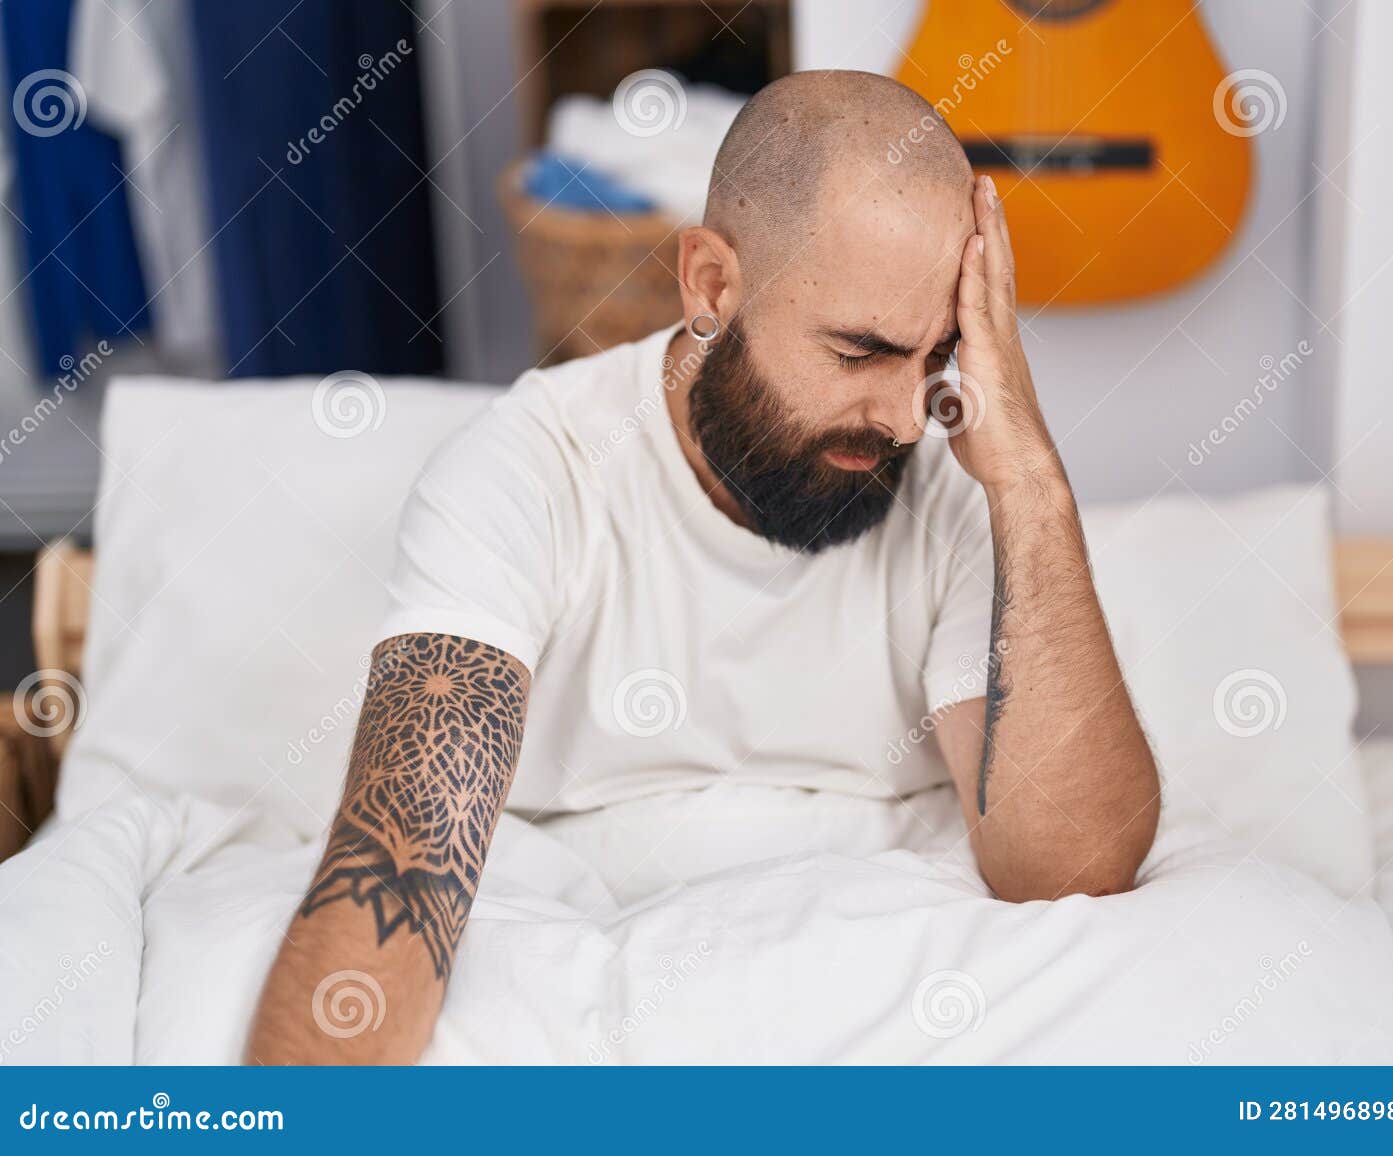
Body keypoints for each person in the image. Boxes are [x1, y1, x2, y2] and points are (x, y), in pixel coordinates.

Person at [248, 70, 1159, 1063]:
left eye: (938, 355)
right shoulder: (527, 473)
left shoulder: (957, 483)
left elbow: (1067, 863)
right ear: (712, 287)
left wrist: (1029, 479)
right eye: (859, 353)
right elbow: (397, 876)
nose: (906, 417)